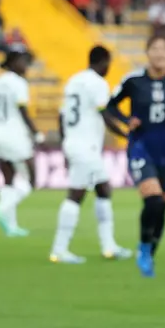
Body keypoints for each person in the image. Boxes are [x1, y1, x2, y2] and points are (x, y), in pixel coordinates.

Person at [106, 33, 165, 278]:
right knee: (154, 199)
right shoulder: (133, 80)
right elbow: (110, 105)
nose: (159, 54)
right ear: (147, 53)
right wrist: (128, 121)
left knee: (163, 205)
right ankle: (144, 247)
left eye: (164, 49)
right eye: (155, 49)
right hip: (141, 147)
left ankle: (151, 248)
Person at [50, 46, 134, 264]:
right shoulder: (97, 83)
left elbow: (61, 117)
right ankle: (59, 250)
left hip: (75, 143)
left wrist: (65, 144)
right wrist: (126, 134)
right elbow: (105, 114)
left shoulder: (73, 82)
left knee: (103, 189)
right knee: (76, 195)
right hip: (85, 147)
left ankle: (109, 246)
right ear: (104, 62)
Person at [0, 45, 43, 237]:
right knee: (32, 177)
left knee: (8, 179)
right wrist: (36, 134)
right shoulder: (19, 83)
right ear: (12, 62)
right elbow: (22, 110)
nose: (26, 65)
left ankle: (11, 227)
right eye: (23, 61)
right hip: (14, 135)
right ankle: (2, 207)